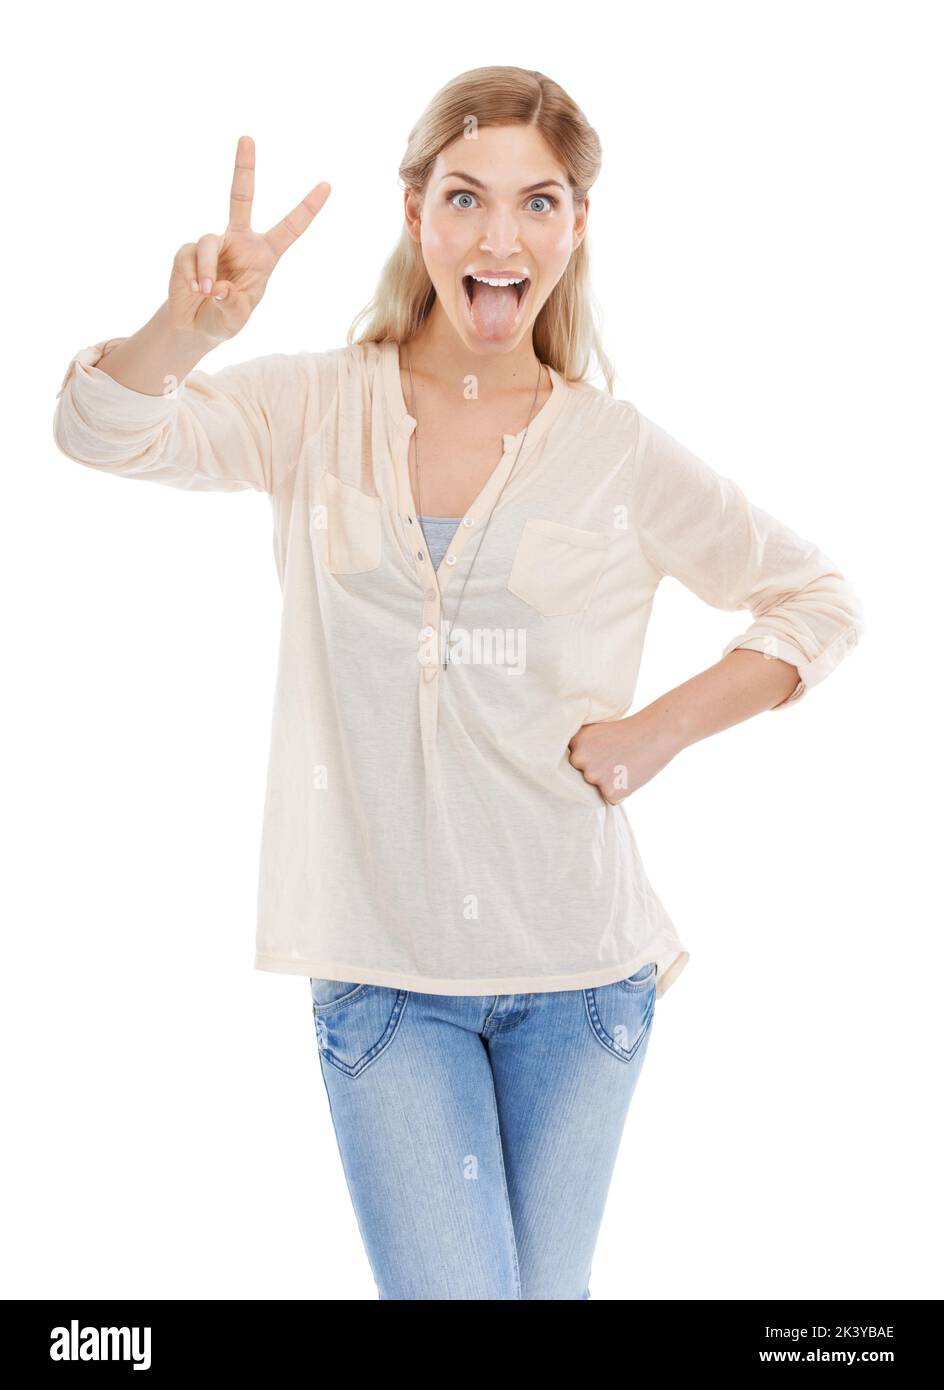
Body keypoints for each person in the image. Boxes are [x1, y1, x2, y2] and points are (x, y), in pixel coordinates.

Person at [52, 66, 865, 1300]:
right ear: (414, 213)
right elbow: (99, 431)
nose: (501, 236)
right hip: (384, 979)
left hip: (581, 981)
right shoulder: (312, 407)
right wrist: (190, 335)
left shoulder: (613, 449)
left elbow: (817, 600)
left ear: (575, 226)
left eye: (538, 203)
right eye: (466, 198)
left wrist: (654, 734)